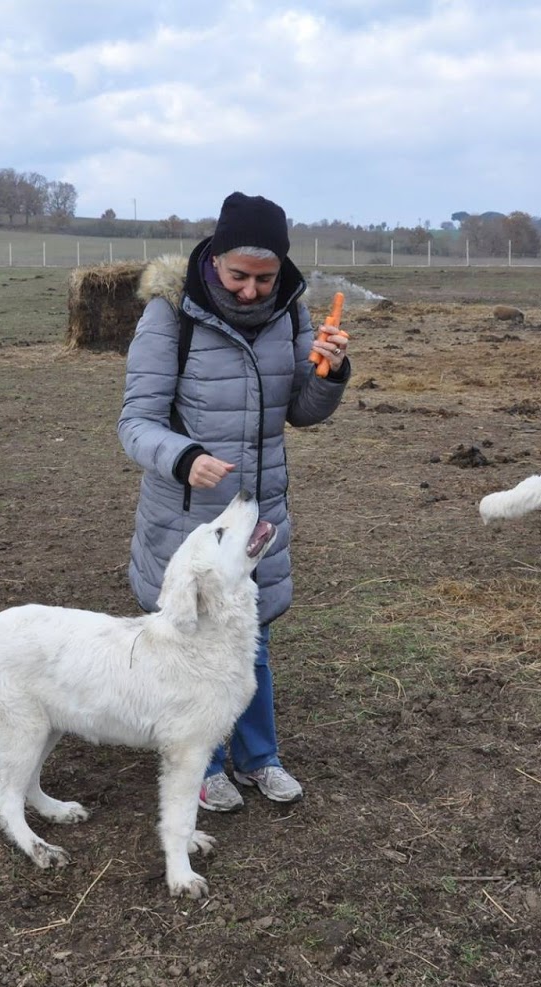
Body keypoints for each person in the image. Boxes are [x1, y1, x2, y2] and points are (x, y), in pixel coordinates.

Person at [118, 192, 351, 812]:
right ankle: (202, 763)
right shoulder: (171, 317)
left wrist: (327, 376)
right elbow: (135, 424)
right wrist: (185, 457)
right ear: (215, 258)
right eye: (239, 276)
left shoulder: (292, 314)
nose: (251, 292)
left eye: (265, 278)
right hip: (190, 522)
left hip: (258, 515)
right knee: (193, 647)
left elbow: (299, 412)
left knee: (252, 639)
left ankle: (258, 757)